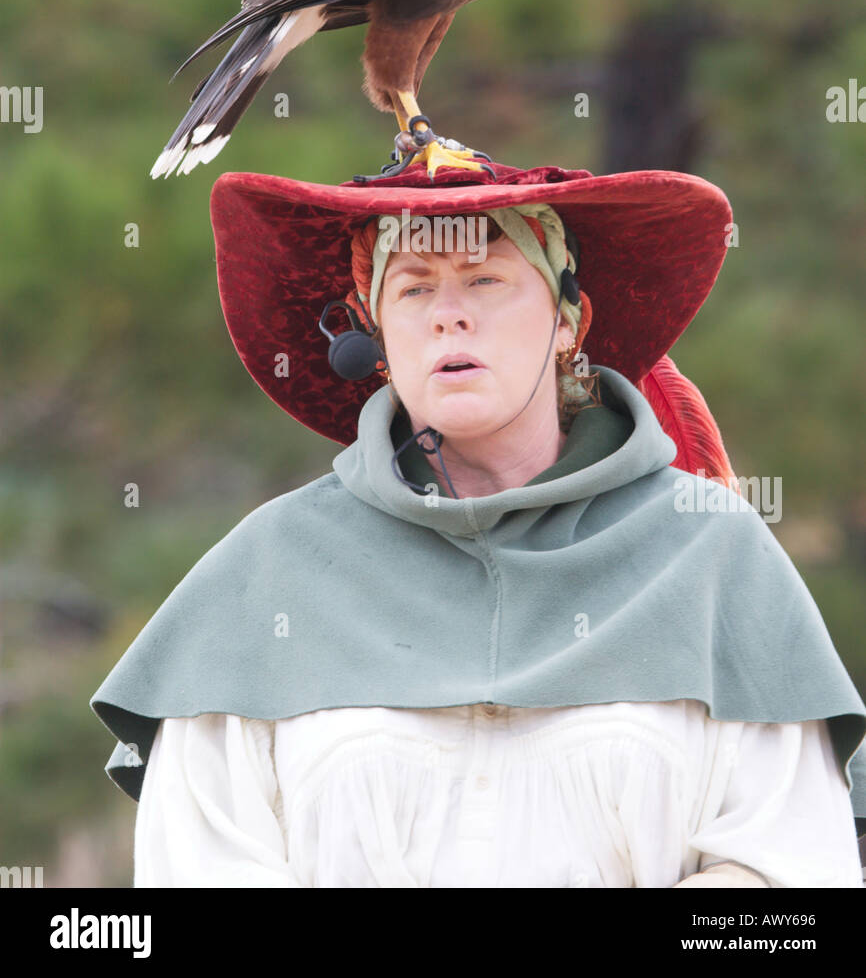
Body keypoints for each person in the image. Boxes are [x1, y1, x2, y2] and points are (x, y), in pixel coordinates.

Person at [90, 158, 866, 888]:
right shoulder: (265, 577)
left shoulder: (712, 558)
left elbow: (791, 893)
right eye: (415, 290)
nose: (449, 317)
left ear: (570, 321)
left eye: (486, 279)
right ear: (378, 339)